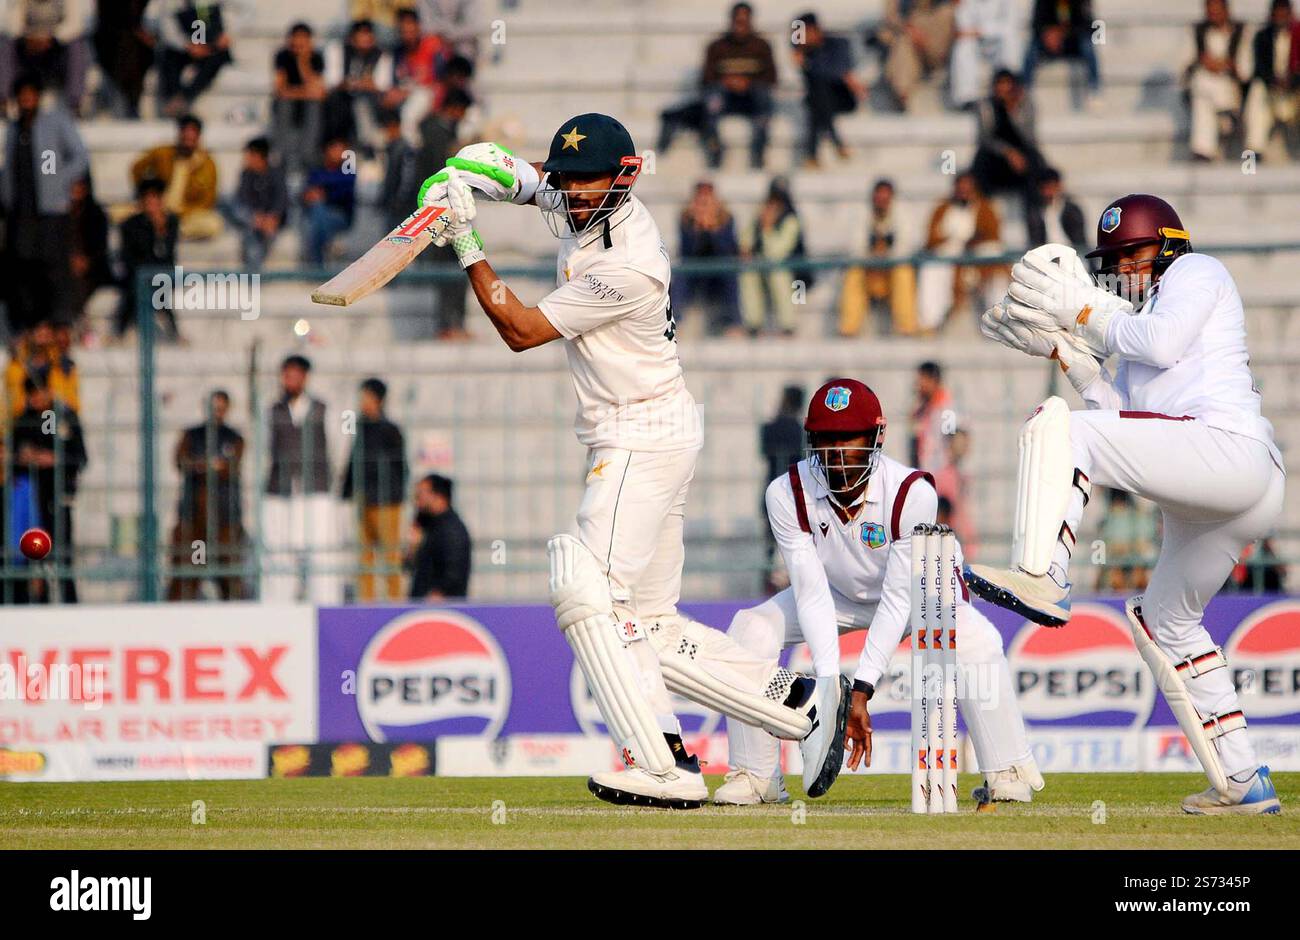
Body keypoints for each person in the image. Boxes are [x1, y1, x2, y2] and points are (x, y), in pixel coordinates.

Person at [414, 114, 848, 807]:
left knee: (588, 595)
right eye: (569, 180)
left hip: (637, 436)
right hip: (657, 427)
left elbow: (522, 330)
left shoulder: (628, 266)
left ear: (624, 179)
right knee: (650, 624)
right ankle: (794, 700)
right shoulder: (594, 204)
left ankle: (663, 767)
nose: (573, 194)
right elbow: (533, 185)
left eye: (586, 182)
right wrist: (477, 172)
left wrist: (465, 239)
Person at [969, 193, 1285, 814]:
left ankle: (1045, 577)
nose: (1125, 268)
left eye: (1134, 254)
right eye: (1113, 259)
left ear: (1168, 245)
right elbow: (1123, 423)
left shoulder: (1198, 272)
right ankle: (1245, 780)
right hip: (1211, 491)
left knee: (1063, 429)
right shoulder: (1138, 343)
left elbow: (1160, 342)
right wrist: (1072, 356)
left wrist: (1082, 307)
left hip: (1233, 456)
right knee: (1166, 618)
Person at [715, 378, 1042, 805]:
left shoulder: (912, 493)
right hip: (836, 595)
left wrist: (862, 689)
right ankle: (756, 777)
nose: (837, 454)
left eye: (848, 438)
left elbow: (898, 597)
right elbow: (811, 592)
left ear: (876, 437)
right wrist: (831, 688)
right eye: (827, 440)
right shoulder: (786, 493)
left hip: (918, 593)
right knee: (749, 628)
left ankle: (1007, 769)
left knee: (978, 640)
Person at [2, 73, 89, 335]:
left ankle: (59, 322)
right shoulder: (15, 130)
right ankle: (30, 324)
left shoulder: (53, 124)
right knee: (24, 267)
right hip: (21, 211)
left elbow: (78, 156)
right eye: (22, 95)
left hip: (50, 211)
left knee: (53, 267)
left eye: (31, 93)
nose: (26, 99)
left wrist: (60, 181)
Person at [262, 355, 342, 604]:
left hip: (316, 492)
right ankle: (277, 610)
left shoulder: (323, 409)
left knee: (321, 555)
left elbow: (338, 446)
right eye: (286, 375)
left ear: (305, 378)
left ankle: (326, 608)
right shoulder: (272, 411)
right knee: (279, 557)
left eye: (295, 375)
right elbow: (265, 448)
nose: (290, 380)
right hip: (280, 493)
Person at [166, 390, 246, 601]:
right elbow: (182, 462)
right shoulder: (193, 435)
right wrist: (209, 465)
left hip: (225, 522)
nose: (217, 412)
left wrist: (203, 465)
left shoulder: (233, 437)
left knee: (229, 575)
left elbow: (231, 466)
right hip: (196, 524)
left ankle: (238, 623)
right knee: (191, 570)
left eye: (221, 407)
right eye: (213, 407)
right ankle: (177, 621)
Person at [12, 377, 87, 603]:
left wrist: (55, 458)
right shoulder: (23, 421)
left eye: (38, 392)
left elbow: (80, 457)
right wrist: (24, 458)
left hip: (59, 499)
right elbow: (13, 459)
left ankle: (69, 604)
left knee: (62, 556)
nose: (35, 399)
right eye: (31, 394)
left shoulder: (64, 416)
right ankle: (35, 605)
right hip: (31, 503)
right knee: (32, 555)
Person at [414, 88, 475, 338]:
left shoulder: (437, 130)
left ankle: (455, 325)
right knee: (449, 270)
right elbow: (445, 168)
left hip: (452, 212)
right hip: (440, 213)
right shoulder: (434, 132)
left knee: (463, 266)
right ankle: (447, 326)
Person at [342, 378, 408, 602]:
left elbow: (400, 466)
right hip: (365, 498)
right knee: (365, 556)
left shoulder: (389, 430)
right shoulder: (361, 427)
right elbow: (355, 460)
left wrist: (397, 494)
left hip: (387, 500)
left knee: (390, 554)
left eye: (367, 397)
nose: (363, 402)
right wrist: (347, 489)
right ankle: (366, 601)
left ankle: (394, 599)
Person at [916, 172, 1004, 332]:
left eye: (967, 188)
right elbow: (931, 240)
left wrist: (972, 243)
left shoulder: (985, 208)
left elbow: (993, 237)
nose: (964, 191)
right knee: (931, 268)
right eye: (960, 188)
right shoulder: (942, 209)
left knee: (995, 266)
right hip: (949, 258)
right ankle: (929, 323)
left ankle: (1000, 323)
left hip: (976, 260)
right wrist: (952, 242)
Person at [700, 3, 777, 169]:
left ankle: (759, 152)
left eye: (744, 21)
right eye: (738, 21)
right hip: (725, 101)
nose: (740, 26)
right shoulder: (716, 46)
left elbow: (772, 78)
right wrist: (727, 82)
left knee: (763, 96)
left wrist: (747, 83)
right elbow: (705, 79)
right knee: (712, 99)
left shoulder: (761, 46)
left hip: (753, 101)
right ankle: (716, 151)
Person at [838, 177, 918, 336]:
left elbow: (906, 247)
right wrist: (872, 255)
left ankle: (907, 328)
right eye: (878, 198)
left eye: (885, 198)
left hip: (891, 273)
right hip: (870, 273)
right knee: (854, 272)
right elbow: (854, 248)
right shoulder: (861, 215)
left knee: (903, 271)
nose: (882, 202)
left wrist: (886, 254)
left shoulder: (903, 215)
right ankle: (849, 329)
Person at [129, 114, 222, 241]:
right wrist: (146, 195)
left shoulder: (207, 164)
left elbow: (208, 201)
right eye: (185, 135)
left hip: (187, 216)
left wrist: (183, 212)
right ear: (179, 134)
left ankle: (169, 229)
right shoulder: (163, 153)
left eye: (192, 136)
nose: (188, 139)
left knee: (214, 224)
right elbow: (136, 168)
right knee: (117, 213)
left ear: (199, 137)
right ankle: (159, 226)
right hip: (159, 209)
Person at [970, 70, 1045, 219]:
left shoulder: (1025, 104)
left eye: (1007, 84)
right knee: (980, 160)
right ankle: (983, 217)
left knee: (1035, 162)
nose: (1003, 89)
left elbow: (1029, 138)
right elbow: (985, 139)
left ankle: (1035, 220)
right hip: (995, 160)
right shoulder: (985, 107)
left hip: (1021, 159)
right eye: (1000, 84)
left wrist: (1013, 111)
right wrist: (1008, 152)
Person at [791, 12, 862, 167]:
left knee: (817, 93)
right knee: (817, 99)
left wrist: (809, 64)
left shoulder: (838, 44)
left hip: (842, 97)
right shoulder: (806, 53)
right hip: (820, 101)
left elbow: (838, 72)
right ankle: (835, 144)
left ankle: (812, 154)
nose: (804, 37)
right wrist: (800, 52)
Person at [674, 180, 742, 335]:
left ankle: (735, 323)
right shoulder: (686, 218)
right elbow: (686, 252)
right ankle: (675, 321)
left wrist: (713, 230)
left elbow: (728, 251)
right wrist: (697, 229)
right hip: (696, 274)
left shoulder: (726, 218)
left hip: (718, 274)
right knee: (681, 275)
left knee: (730, 272)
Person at [116, 179, 181, 341]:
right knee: (137, 289)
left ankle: (174, 333)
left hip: (162, 272)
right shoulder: (130, 225)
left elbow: (167, 254)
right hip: (138, 272)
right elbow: (129, 256)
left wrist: (160, 232)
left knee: (160, 287)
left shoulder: (170, 223)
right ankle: (119, 332)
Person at [739, 177, 804, 336]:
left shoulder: (791, 221)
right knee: (748, 272)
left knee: (778, 273)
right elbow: (745, 242)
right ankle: (753, 325)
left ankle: (788, 326)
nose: (774, 205)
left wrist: (767, 229)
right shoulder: (759, 217)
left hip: (799, 280)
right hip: (764, 268)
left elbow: (777, 253)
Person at [0, 0, 92, 112]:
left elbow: (75, 24)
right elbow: (12, 25)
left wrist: (52, 38)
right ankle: (3, 100)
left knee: (77, 45)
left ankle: (75, 103)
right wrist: (30, 37)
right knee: (6, 44)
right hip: (29, 52)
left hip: (56, 53)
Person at [1186, 0, 1249, 162]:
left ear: (1226, 10)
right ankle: (1225, 116)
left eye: (1217, 10)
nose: (1214, 15)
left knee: (1205, 88)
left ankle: (1204, 147)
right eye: (1210, 11)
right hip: (1205, 91)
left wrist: (1227, 65)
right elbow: (1183, 67)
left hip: (1233, 89)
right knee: (1202, 83)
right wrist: (1205, 63)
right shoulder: (1196, 32)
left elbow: (1246, 70)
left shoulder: (1242, 31)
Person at [759, 385, 805, 592]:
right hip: (794, 490)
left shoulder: (772, 426)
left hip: (773, 486)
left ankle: (770, 581)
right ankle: (786, 581)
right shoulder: (799, 429)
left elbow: (763, 449)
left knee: (771, 540)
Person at [323, 19, 393, 155]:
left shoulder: (381, 55)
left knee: (362, 103)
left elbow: (382, 85)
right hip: (341, 106)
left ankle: (368, 146)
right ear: (352, 38)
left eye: (368, 35)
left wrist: (357, 83)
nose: (365, 39)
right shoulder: (338, 50)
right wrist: (358, 83)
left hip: (370, 104)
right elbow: (332, 81)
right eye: (361, 35)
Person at [155, 0, 234, 117]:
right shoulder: (173, 4)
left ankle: (185, 97)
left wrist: (226, 33)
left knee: (217, 58)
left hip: (213, 40)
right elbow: (165, 22)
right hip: (185, 42)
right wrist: (186, 45)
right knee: (168, 56)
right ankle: (173, 98)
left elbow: (243, 10)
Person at [872, 0, 955, 111]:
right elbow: (890, 19)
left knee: (904, 42)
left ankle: (902, 92)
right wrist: (908, 29)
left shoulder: (946, 12)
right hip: (908, 47)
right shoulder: (908, 10)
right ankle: (903, 92)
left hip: (935, 52)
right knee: (903, 43)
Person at [1244, 0, 1300, 160]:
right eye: (1277, 14)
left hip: (1295, 92)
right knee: (1257, 92)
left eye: (1284, 14)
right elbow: (1259, 67)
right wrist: (1275, 81)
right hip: (1270, 90)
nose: (1281, 18)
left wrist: (1292, 81)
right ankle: (1251, 160)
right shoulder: (1262, 37)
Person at [1022, 0, 1101, 111]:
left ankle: (1095, 90)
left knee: (1088, 46)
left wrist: (1063, 32)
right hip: (1048, 42)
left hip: (1072, 43)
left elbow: (1090, 25)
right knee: (1031, 49)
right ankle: (1024, 91)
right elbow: (1035, 23)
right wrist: (1047, 34)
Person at [384, 8, 447, 147]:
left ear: (418, 27)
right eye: (403, 31)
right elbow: (396, 82)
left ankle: (413, 151)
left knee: (409, 115)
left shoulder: (432, 46)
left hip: (429, 94)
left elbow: (440, 80)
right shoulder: (397, 53)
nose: (407, 34)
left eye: (411, 29)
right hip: (407, 95)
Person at [224, 137, 288, 270]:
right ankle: (253, 272)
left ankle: (254, 272)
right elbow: (242, 200)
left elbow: (281, 199)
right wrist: (255, 217)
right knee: (230, 205)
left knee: (261, 233)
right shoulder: (246, 174)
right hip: (252, 218)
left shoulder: (276, 174)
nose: (246, 159)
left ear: (258, 156)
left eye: (249, 155)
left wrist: (272, 216)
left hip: (271, 220)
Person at [272, 22, 327, 176]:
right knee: (284, 103)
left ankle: (308, 153)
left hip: (308, 108)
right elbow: (280, 90)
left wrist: (303, 61)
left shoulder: (316, 57)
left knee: (314, 105)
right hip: (289, 107)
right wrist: (304, 92)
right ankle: (283, 153)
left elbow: (319, 92)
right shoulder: (282, 56)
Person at [406, 473, 471, 600]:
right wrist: (413, 547)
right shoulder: (426, 525)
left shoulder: (452, 529)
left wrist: (438, 593)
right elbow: (408, 566)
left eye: (420, 494)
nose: (416, 500)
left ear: (439, 496)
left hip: (443, 607)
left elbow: (454, 571)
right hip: (421, 604)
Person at [949, 0, 1024, 109]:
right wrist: (976, 32)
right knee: (963, 45)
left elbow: (1011, 25)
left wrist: (982, 31)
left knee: (1012, 40)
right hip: (977, 44)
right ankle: (967, 98)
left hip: (999, 42)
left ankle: (1010, 92)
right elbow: (963, 27)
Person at [92, 0, 154, 118]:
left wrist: (147, 36)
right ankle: (129, 102)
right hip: (110, 42)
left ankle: (131, 102)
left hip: (138, 48)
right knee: (126, 50)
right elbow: (109, 20)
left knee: (134, 55)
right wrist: (139, 33)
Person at [300, 138, 357, 265]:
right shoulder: (317, 169)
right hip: (316, 216)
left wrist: (324, 194)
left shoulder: (347, 171)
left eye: (341, 150)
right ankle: (323, 253)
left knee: (318, 214)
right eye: (335, 149)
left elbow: (345, 194)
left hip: (340, 216)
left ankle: (317, 264)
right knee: (317, 212)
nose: (339, 153)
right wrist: (315, 195)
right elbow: (306, 193)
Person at [1027, 167, 1086, 252]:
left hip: (1073, 255)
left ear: (1059, 186)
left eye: (1052, 187)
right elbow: (1036, 242)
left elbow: (1079, 240)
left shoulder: (1072, 210)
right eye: (1045, 188)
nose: (1048, 193)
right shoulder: (1036, 213)